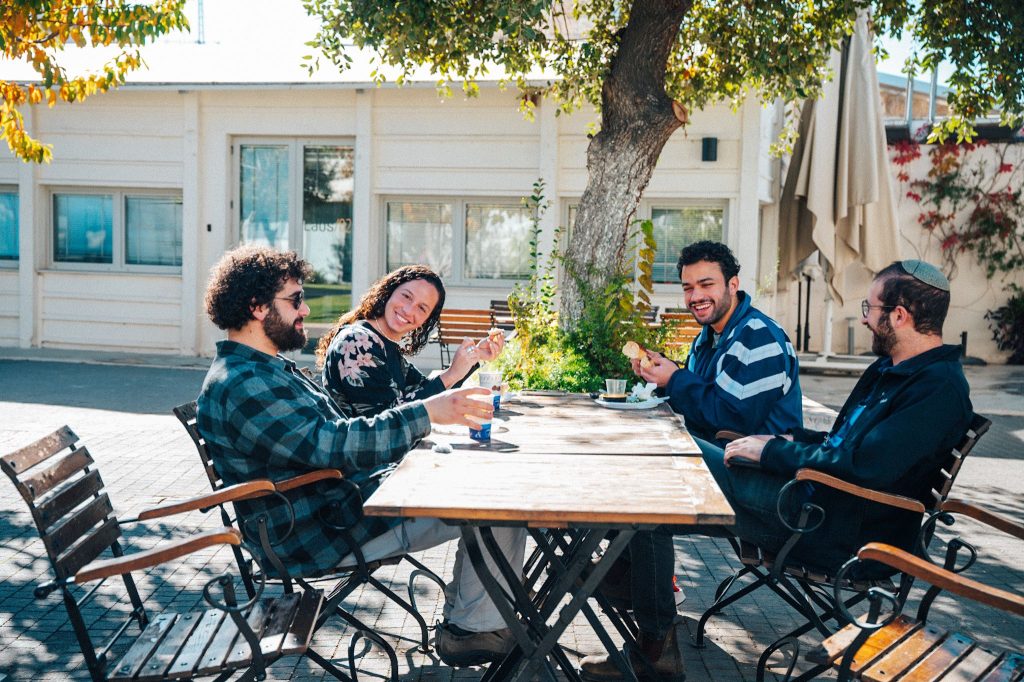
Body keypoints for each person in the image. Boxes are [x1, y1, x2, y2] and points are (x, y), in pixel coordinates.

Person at [580, 260, 973, 682]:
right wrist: (784, 442)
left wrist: (772, 453)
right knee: (657, 489)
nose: (863, 317)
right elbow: (842, 446)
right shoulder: (893, 369)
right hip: (811, 502)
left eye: (869, 307)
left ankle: (625, 603)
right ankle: (645, 629)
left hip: (833, 533)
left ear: (899, 315)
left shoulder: (937, 388)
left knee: (669, 455)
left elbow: (864, 467)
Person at [195, 245, 525, 668]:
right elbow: (332, 443)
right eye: (295, 299)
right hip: (327, 529)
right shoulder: (243, 383)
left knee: (484, 485)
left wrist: (431, 421)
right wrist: (427, 414)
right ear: (257, 307)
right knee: (497, 503)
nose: (306, 309)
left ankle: (476, 618)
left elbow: (338, 438)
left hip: (342, 506)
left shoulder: (265, 369)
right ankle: (473, 629)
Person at [632, 240, 803, 444]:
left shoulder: (758, 336)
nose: (696, 296)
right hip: (717, 453)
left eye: (706, 284)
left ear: (732, 285)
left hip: (754, 467)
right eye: (688, 288)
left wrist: (674, 379)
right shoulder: (706, 338)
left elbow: (731, 419)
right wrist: (659, 377)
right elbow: (699, 404)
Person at [315, 265, 504, 418]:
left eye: (422, 308)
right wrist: (451, 374)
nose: (409, 310)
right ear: (389, 291)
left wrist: (474, 356)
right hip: (366, 462)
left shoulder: (383, 342)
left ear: (426, 321)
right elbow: (385, 420)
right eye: (406, 296)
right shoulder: (358, 342)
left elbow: (424, 390)